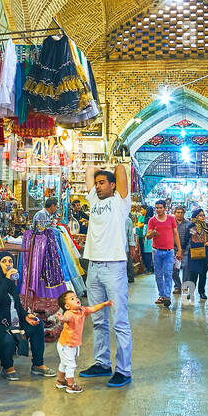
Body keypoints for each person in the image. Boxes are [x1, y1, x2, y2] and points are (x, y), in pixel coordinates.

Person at [77, 165, 133, 388]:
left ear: (113, 186)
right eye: (97, 183)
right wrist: (97, 170)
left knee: (119, 321)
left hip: (114, 267)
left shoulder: (121, 203)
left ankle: (123, 370)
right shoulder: (94, 201)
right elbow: (89, 170)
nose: (98, 186)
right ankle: (102, 363)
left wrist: (111, 169)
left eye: (103, 183)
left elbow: (120, 170)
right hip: (94, 267)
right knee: (98, 320)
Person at [0, 251, 52, 381]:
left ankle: (38, 365)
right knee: (7, 338)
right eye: (4, 261)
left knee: (37, 324)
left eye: (10, 261)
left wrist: (25, 315)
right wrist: (6, 281)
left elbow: (15, 305)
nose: (8, 264)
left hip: (12, 323)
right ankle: (8, 368)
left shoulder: (10, 282)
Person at [51, 289, 111, 393]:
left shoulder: (82, 310)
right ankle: (71, 386)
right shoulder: (70, 313)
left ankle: (61, 381)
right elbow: (66, 318)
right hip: (66, 345)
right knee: (71, 365)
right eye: (72, 299)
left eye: (76, 297)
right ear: (67, 307)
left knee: (64, 363)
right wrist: (61, 318)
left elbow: (93, 308)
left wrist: (104, 304)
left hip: (68, 344)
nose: (76, 299)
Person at [144, 199, 180, 308]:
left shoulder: (171, 219)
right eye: (157, 208)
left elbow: (175, 234)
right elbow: (148, 236)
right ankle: (162, 295)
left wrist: (179, 249)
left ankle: (167, 296)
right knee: (158, 275)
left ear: (165, 208)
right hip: (157, 251)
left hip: (169, 252)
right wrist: (153, 233)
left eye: (160, 207)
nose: (158, 209)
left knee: (168, 273)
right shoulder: (152, 221)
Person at [182, 207, 208, 301]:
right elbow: (187, 239)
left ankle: (202, 292)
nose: (202, 217)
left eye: (203, 215)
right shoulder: (192, 226)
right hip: (195, 253)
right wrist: (182, 250)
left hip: (205, 252)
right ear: (196, 216)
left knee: (203, 274)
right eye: (200, 215)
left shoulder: (207, 226)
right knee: (193, 274)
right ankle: (191, 292)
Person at [172, 204, 187, 294]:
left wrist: (183, 250)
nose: (179, 214)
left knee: (186, 268)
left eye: (181, 212)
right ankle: (177, 286)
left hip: (186, 250)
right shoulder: (171, 223)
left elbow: (191, 238)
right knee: (174, 269)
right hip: (173, 249)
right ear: (174, 213)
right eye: (178, 212)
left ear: (184, 213)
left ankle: (185, 287)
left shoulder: (189, 224)